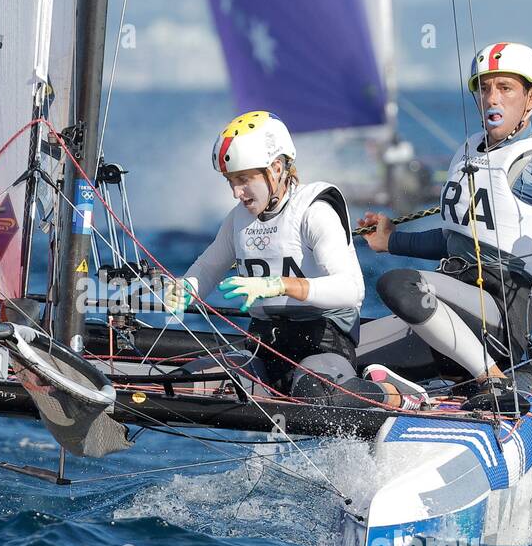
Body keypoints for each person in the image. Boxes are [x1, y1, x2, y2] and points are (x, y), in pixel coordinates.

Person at [356, 41, 532, 410]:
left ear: (531, 97)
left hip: (499, 319)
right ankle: (403, 395)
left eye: (505, 88)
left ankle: (495, 380)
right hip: (443, 313)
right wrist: (393, 240)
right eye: (485, 88)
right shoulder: (467, 151)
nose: (492, 98)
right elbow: (455, 241)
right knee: (334, 344)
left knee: (397, 284)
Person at [163, 110, 425, 411]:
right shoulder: (237, 220)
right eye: (230, 181)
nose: (236, 193)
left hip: (322, 343)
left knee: (316, 397)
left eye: (244, 179)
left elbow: (351, 290)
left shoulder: (315, 212)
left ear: (276, 168)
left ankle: (395, 392)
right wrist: (186, 288)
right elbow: (208, 267)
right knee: (177, 385)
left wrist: (280, 285)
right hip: (265, 348)